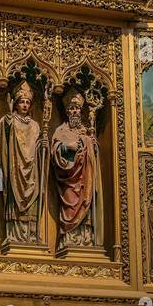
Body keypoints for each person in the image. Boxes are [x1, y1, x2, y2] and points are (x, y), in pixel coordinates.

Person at [49, 91, 100, 248]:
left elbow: (95, 157)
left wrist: (91, 144)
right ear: (66, 111)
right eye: (71, 108)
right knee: (70, 207)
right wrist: (67, 147)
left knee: (86, 204)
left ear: (81, 110)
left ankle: (85, 238)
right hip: (69, 179)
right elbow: (54, 151)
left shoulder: (86, 132)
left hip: (85, 178)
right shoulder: (60, 131)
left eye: (77, 108)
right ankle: (69, 238)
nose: (74, 111)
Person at [0, 81, 43, 244]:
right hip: (14, 171)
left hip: (32, 173)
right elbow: (2, 139)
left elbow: (39, 151)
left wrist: (44, 147)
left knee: (33, 202)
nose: (24, 105)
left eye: (27, 102)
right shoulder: (8, 120)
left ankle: (31, 236)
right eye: (22, 101)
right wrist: (9, 117)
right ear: (15, 103)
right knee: (14, 200)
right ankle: (14, 235)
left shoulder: (36, 126)